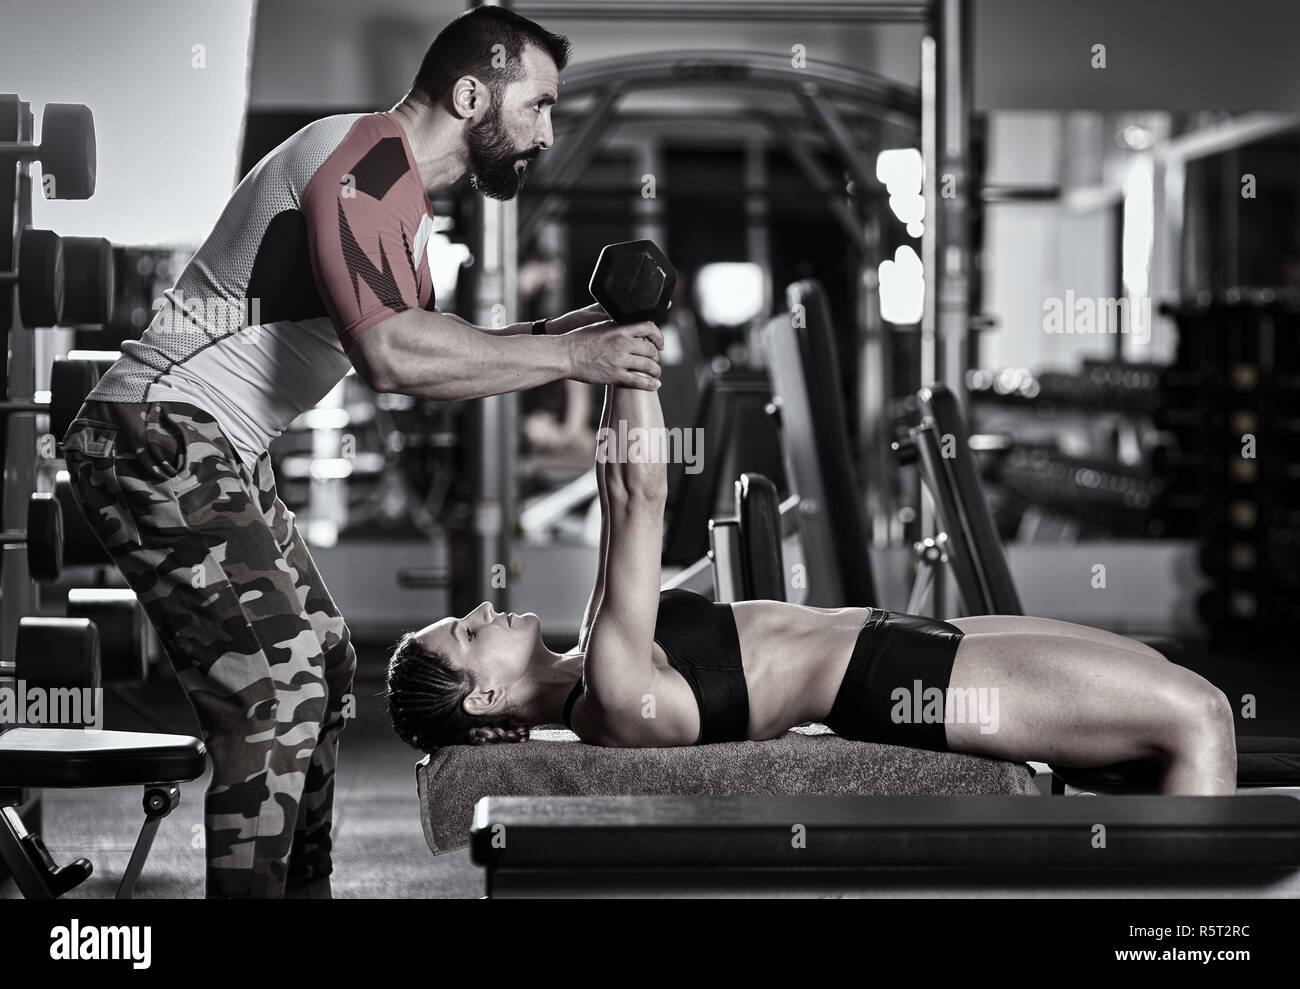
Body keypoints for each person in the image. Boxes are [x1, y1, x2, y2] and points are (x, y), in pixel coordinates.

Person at [60, 6, 661, 899]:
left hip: (216, 443)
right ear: (470, 95)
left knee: (328, 657)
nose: (546, 131)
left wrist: (571, 330)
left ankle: (308, 891)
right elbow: (393, 356)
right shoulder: (362, 162)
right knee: (276, 682)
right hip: (158, 430)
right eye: (536, 106)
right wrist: (571, 356)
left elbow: (436, 348)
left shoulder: (401, 201)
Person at [386, 378, 1239, 797]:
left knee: (1159, 701)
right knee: (1196, 715)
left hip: (902, 643)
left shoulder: (596, 650)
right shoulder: (610, 688)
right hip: (896, 682)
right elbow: (635, 493)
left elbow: (629, 513)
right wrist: (626, 354)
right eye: (465, 633)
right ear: (488, 695)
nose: (482, 611)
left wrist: (608, 353)